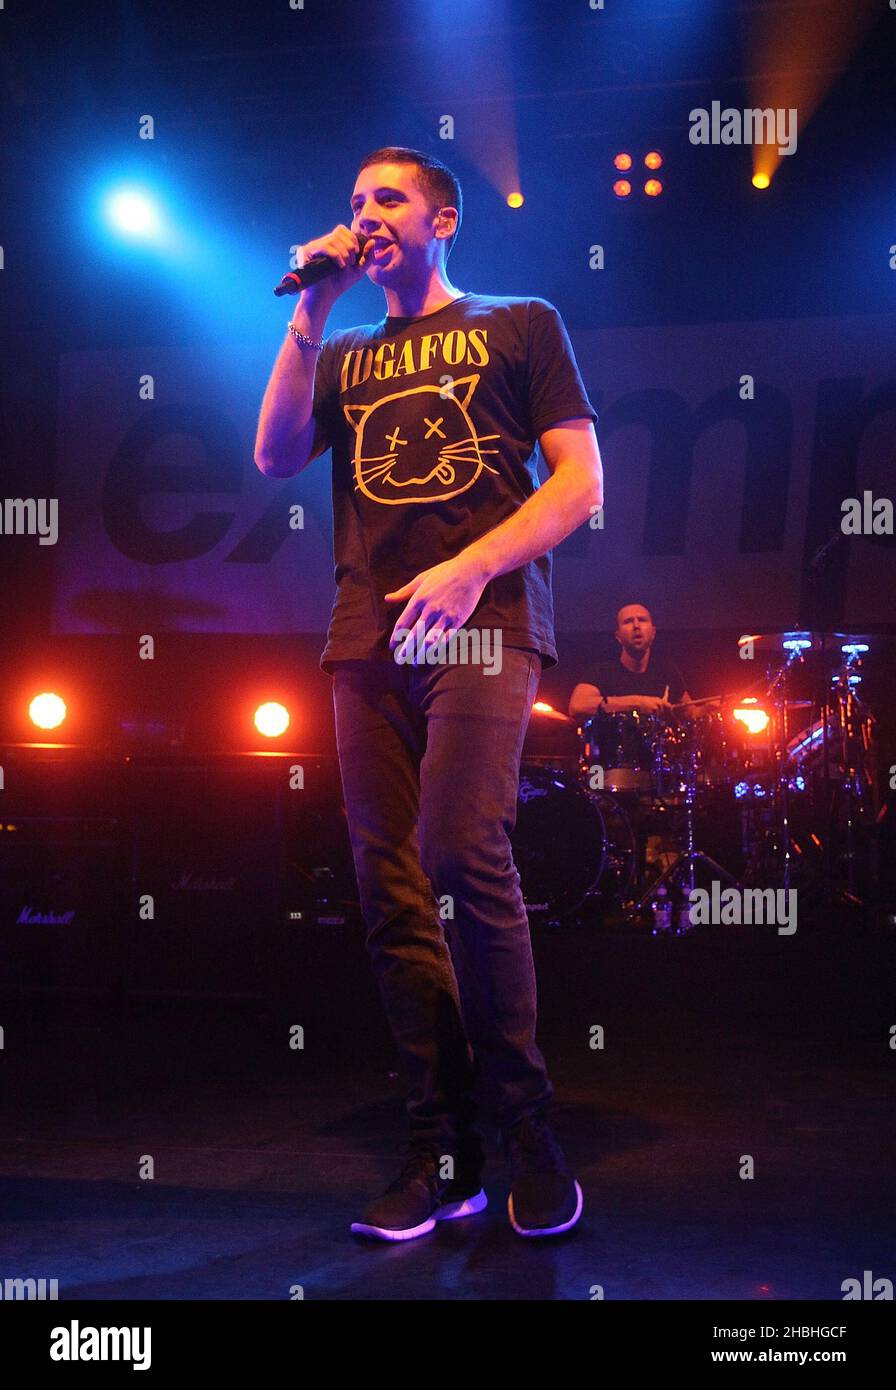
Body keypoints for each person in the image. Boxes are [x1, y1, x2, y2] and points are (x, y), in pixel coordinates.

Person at [255, 146, 602, 1241]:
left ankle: (526, 1126)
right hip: (366, 638)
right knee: (391, 886)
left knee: (460, 848)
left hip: (485, 624)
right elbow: (271, 457)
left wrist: (470, 569)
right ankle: (439, 1146)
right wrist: (310, 314)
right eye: (352, 200)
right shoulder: (346, 348)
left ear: (441, 219)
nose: (364, 215)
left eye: (388, 198)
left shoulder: (518, 323)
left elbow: (582, 484)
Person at [568, 603, 692, 722]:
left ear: (653, 633)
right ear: (618, 636)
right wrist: (638, 703)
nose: (636, 626)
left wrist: (708, 709)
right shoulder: (603, 669)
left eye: (642, 620)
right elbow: (577, 706)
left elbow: (689, 712)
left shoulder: (666, 668)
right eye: (628, 621)